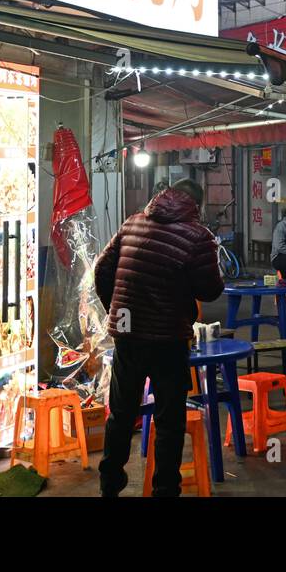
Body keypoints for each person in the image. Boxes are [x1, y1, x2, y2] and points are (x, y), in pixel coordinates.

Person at [94, 179, 224, 497]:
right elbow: (210, 289)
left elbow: (101, 269)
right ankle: (165, 489)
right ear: (196, 205)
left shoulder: (133, 223)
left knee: (122, 412)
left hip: (128, 337)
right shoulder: (197, 236)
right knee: (169, 420)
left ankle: (109, 482)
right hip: (169, 340)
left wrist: (117, 308)